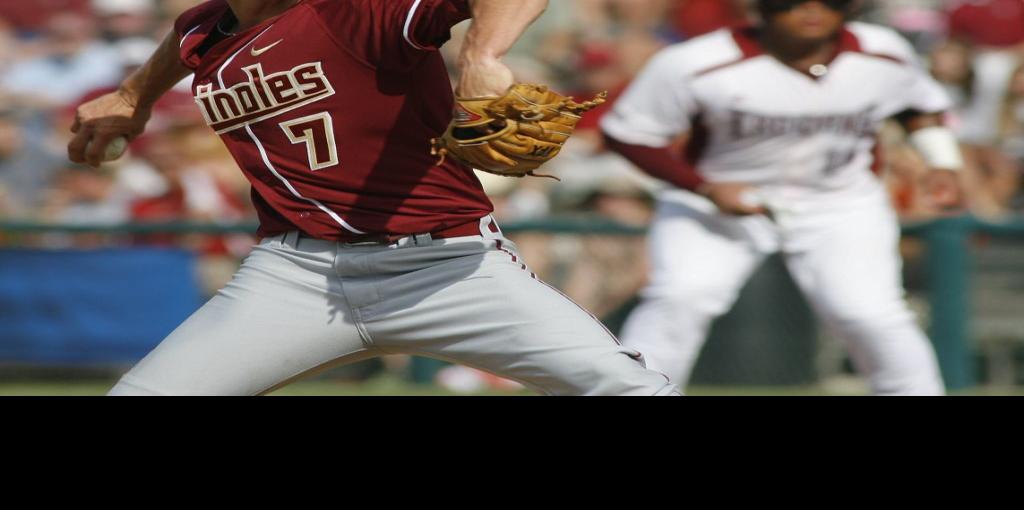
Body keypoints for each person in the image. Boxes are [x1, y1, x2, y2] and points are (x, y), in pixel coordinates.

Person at [68, 0, 679, 396]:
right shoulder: (205, 29)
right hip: (296, 275)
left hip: (447, 267)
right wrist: (133, 96)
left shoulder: (354, 12)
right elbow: (185, 41)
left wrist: (481, 55)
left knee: (626, 388)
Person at [601, 0, 963, 395]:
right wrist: (703, 186)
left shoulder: (882, 50)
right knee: (680, 299)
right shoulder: (696, 60)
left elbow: (918, 106)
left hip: (839, 200)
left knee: (871, 315)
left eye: (829, 0)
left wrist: (941, 161)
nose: (812, 10)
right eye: (791, 0)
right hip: (716, 202)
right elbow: (628, 133)